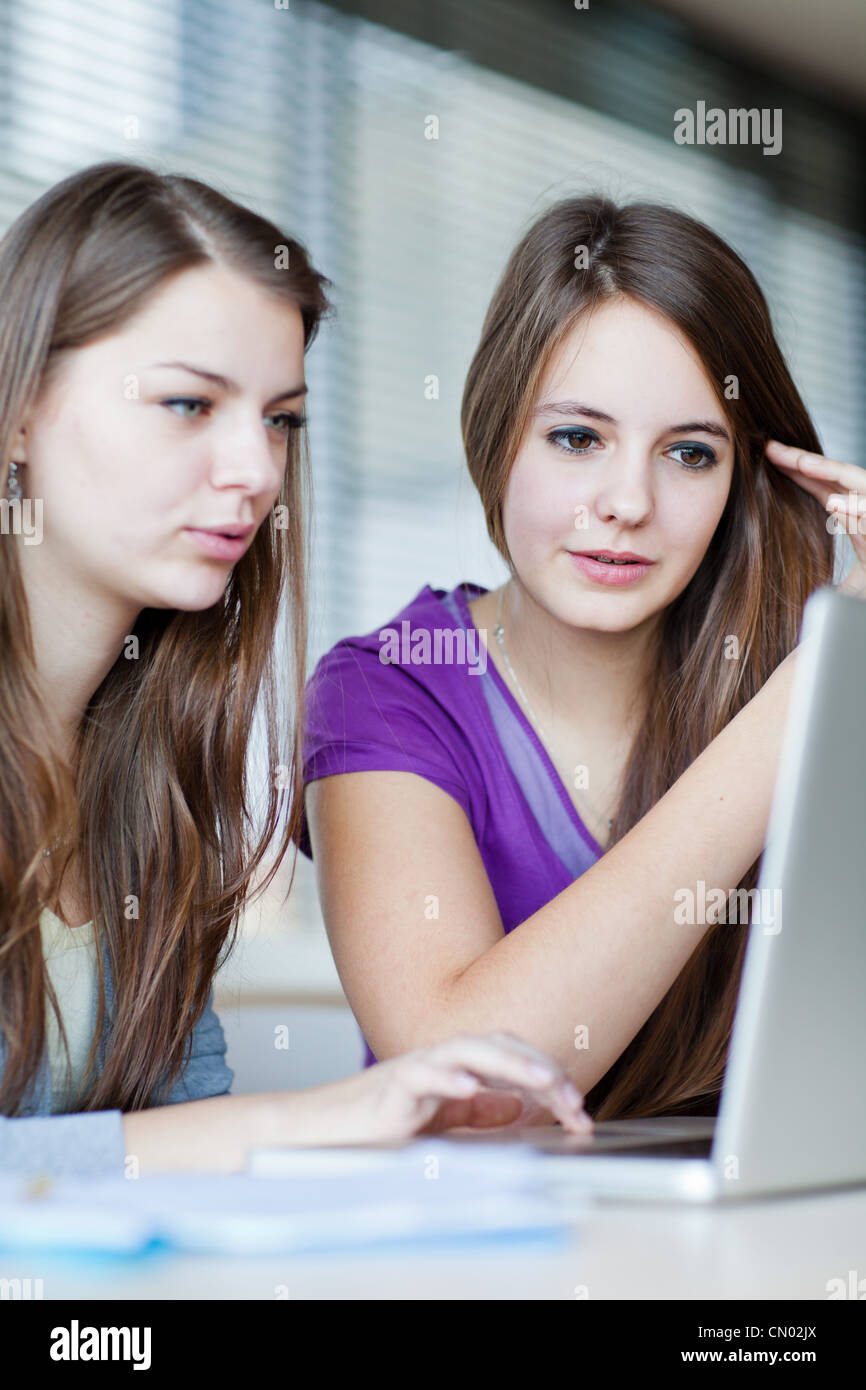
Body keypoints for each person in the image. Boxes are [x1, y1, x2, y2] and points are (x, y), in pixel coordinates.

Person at [0, 160, 593, 1178]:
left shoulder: (152, 767)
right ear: (19, 412)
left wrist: (378, 1126)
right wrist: (314, 1118)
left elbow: (178, 1138)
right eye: (189, 404)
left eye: (280, 419)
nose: (258, 471)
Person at [300, 195, 866, 1127]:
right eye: (577, 438)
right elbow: (475, 1086)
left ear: (743, 480)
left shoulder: (780, 670)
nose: (628, 501)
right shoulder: (384, 690)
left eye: (689, 454)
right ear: (496, 436)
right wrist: (808, 692)